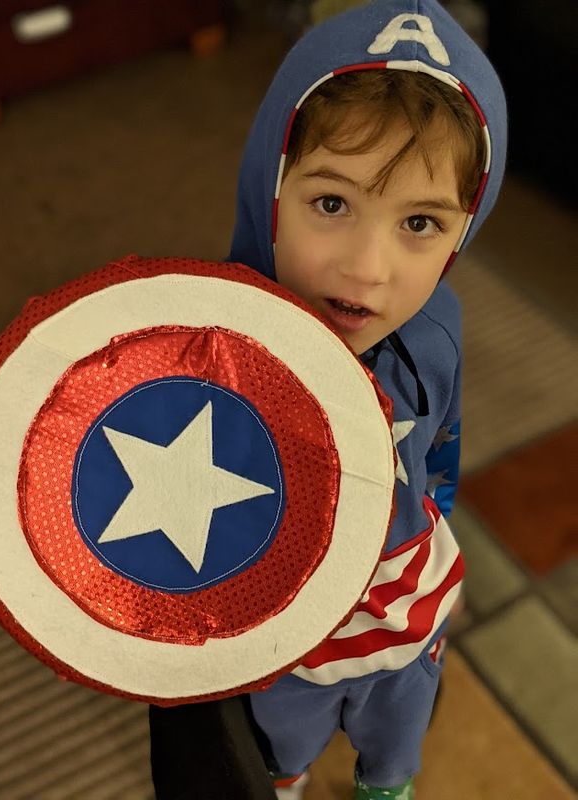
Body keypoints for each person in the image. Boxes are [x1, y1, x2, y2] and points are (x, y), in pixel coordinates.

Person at [226, 1, 508, 798]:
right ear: (270, 189)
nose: (367, 270)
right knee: (277, 749)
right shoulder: (215, 345)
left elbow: (441, 445)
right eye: (331, 203)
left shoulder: (437, 333)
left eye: (419, 221)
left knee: (394, 744)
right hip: (280, 633)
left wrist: (429, 516)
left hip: (404, 613)